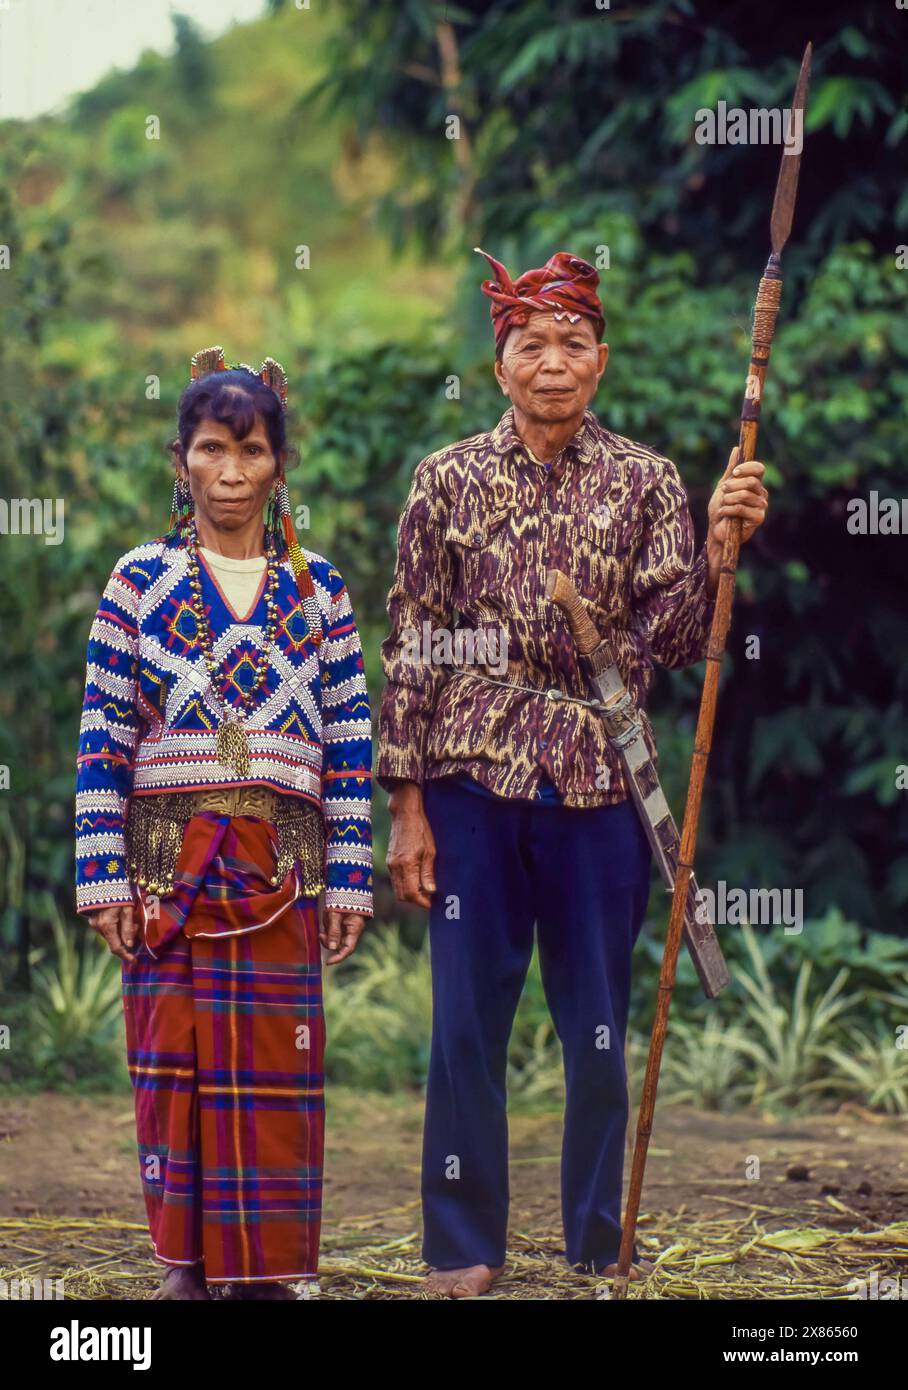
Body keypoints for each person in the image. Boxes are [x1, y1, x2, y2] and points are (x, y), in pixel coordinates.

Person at [376, 249, 768, 1297]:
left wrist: (722, 546)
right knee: (464, 1026)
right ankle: (461, 1247)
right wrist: (405, 806)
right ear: (498, 364)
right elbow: (412, 639)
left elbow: (680, 634)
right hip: (469, 782)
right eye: (528, 344)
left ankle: (599, 1238)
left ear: (600, 361)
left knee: (595, 1029)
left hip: (602, 786)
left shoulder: (644, 481)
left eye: (571, 344)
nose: (551, 362)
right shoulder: (444, 481)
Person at [75, 347, 373, 1299]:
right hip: (167, 864)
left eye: (250, 451)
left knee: (270, 1076)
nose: (231, 472)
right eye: (211, 450)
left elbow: (351, 747)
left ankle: (266, 1271)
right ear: (182, 462)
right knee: (174, 1066)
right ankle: (186, 1266)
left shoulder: (319, 591)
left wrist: (350, 875)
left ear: (279, 465)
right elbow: (101, 738)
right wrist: (102, 877)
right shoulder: (138, 583)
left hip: (280, 865)